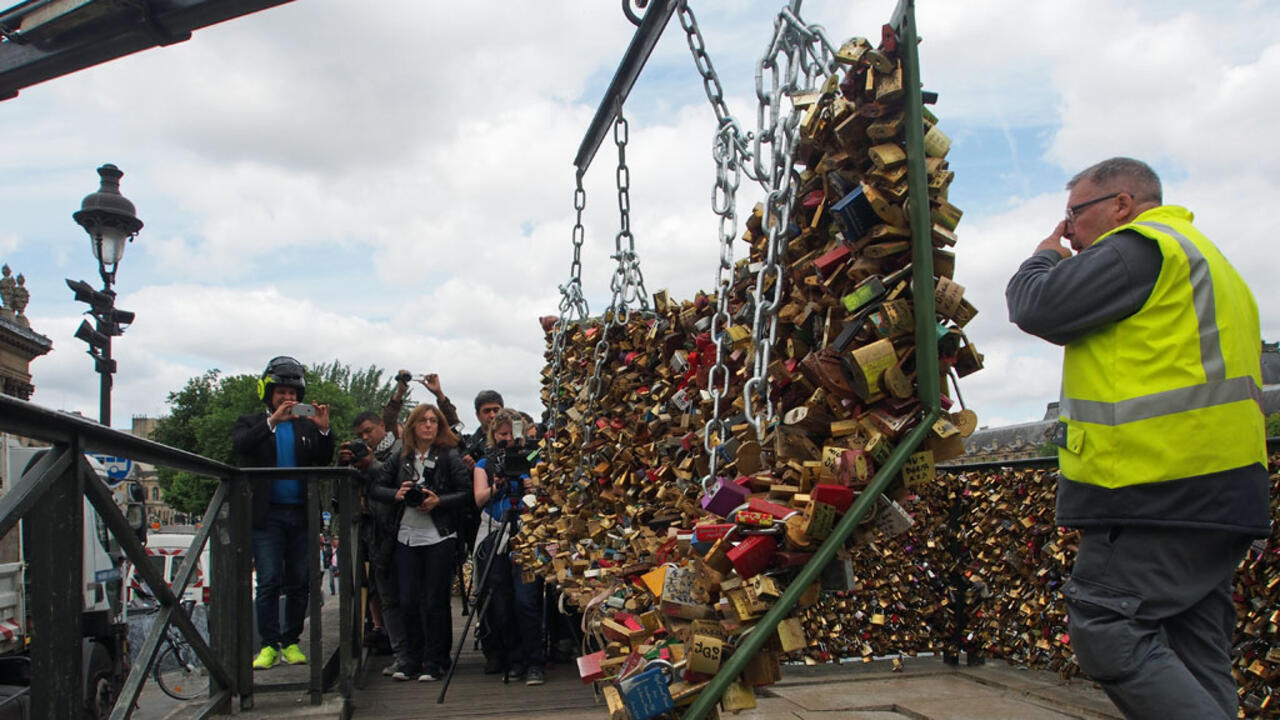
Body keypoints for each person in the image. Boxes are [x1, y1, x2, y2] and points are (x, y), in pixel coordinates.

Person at [1006, 157, 1269, 720]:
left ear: (1121, 204)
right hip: (1221, 495)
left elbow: (1037, 306)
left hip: (1155, 488)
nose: (1069, 229)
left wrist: (1044, 257)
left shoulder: (1138, 247)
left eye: (1074, 214)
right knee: (1192, 650)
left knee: (1107, 627)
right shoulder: (1209, 261)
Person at [232, 355, 334, 670]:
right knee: (268, 580)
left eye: (292, 394)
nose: (287, 399)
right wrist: (273, 421)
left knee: (300, 580)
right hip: (267, 515)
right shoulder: (251, 422)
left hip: (301, 513)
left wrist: (324, 431)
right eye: (281, 393)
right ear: (269, 393)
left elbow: (323, 459)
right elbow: (241, 446)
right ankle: (267, 645)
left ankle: (291, 641)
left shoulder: (305, 425)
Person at [368, 404, 472, 682]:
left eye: (433, 421)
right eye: (422, 421)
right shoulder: (401, 457)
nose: (428, 425)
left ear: (439, 426)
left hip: (440, 535)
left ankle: (435, 660)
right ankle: (411, 659)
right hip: (406, 536)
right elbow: (375, 488)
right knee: (408, 599)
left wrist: (439, 501)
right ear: (413, 425)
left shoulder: (450, 456)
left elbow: (466, 493)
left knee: (435, 600)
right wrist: (397, 494)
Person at [472, 408, 546, 686]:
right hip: (495, 532)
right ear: (494, 435)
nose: (508, 440)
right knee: (501, 602)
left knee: (526, 600)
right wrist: (497, 486)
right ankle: (514, 660)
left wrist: (534, 487)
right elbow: (479, 498)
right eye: (502, 434)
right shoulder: (486, 463)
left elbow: (550, 493)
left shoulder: (533, 458)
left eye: (512, 434)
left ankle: (535, 662)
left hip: (527, 534)